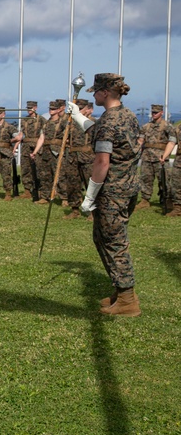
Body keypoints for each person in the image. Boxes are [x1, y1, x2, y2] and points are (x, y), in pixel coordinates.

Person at [69, 73, 141, 316]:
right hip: (128, 188)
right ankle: (120, 291)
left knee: (113, 242)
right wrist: (78, 116)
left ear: (105, 92)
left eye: (95, 91)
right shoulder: (126, 115)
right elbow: (100, 132)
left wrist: (89, 196)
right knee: (103, 238)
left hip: (112, 191)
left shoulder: (109, 121)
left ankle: (127, 300)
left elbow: (102, 162)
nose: (93, 95)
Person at [137, 104, 172, 210]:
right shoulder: (145, 127)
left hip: (160, 158)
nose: (154, 114)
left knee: (164, 180)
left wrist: (165, 156)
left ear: (162, 113)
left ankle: (166, 199)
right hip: (147, 157)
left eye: (156, 112)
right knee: (145, 179)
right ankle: (145, 200)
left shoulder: (167, 127)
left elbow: (171, 142)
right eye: (153, 112)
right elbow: (140, 141)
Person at [33, 100, 66, 205]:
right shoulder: (46, 123)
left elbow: (68, 137)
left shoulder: (63, 122)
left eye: (53, 109)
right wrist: (35, 151)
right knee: (45, 175)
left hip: (57, 151)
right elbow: (41, 138)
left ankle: (64, 198)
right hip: (46, 152)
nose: (51, 111)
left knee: (60, 175)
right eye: (50, 109)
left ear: (58, 110)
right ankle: (45, 197)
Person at [19, 101, 44, 200]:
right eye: (28, 108)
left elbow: (43, 134)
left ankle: (39, 190)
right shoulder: (24, 120)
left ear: (35, 108)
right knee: (25, 169)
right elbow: (21, 134)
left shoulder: (41, 119)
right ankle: (27, 190)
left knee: (38, 169)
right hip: (26, 146)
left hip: (37, 146)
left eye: (31, 108)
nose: (29, 110)